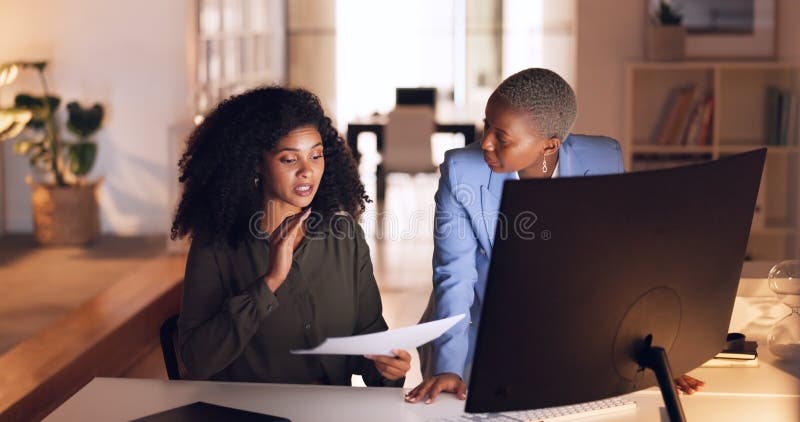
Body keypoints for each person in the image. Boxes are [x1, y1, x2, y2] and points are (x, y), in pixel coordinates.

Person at [406, 68, 704, 403]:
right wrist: (449, 368)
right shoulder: (462, 171)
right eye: (486, 124)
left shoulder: (604, 159)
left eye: (501, 137)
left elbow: (618, 267)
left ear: (549, 145)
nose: (486, 142)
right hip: (477, 334)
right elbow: (454, 277)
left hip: (568, 333)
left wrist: (656, 354)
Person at [171, 86, 411, 386]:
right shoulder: (216, 245)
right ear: (256, 163)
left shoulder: (345, 238)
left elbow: (366, 342)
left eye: (316, 156)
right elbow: (198, 360)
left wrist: (387, 369)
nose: (307, 171)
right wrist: (269, 281)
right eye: (289, 159)